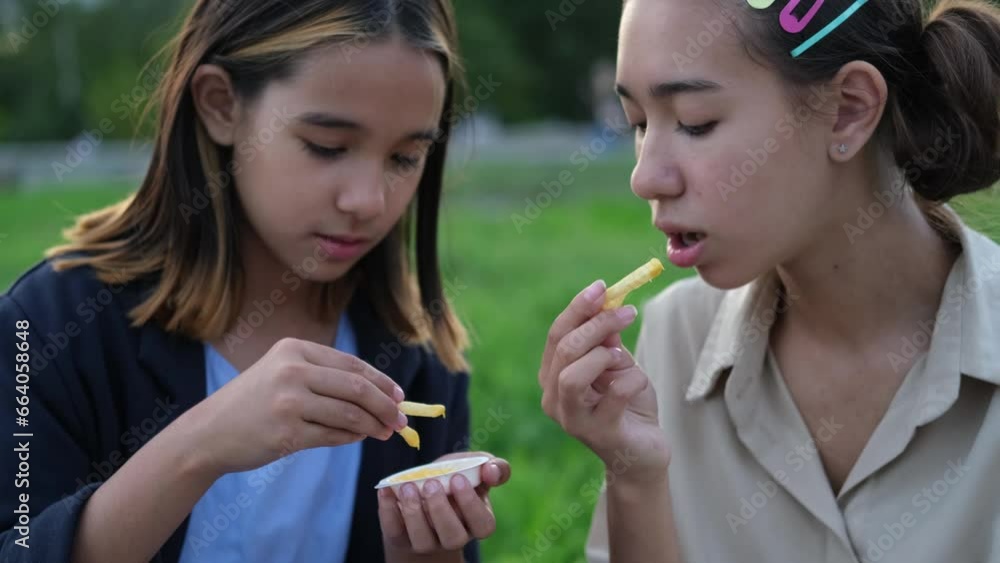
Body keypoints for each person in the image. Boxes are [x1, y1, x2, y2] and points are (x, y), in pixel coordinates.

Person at [0, 1, 510, 562]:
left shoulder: (416, 357)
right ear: (221, 105)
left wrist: (426, 550)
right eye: (327, 146)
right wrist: (201, 446)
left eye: (406, 156)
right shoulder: (44, 328)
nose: (368, 200)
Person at [538, 0, 1000, 561]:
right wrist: (634, 480)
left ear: (849, 109)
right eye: (637, 124)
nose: (644, 177)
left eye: (693, 122)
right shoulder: (670, 338)